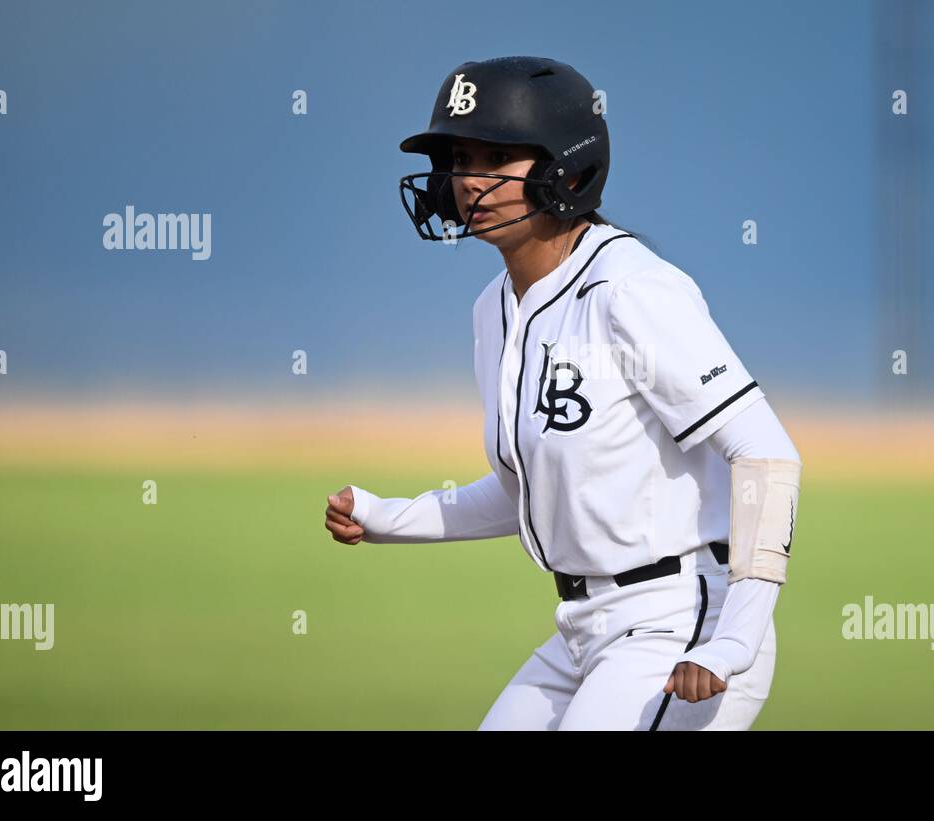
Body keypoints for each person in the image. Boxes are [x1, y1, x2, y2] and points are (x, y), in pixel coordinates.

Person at [323, 56, 802, 730]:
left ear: (566, 169)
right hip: (584, 630)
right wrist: (387, 517)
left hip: (683, 623)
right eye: (460, 157)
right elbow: (529, 490)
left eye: (497, 156)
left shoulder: (629, 290)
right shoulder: (494, 310)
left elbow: (767, 455)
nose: (469, 182)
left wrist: (736, 639)